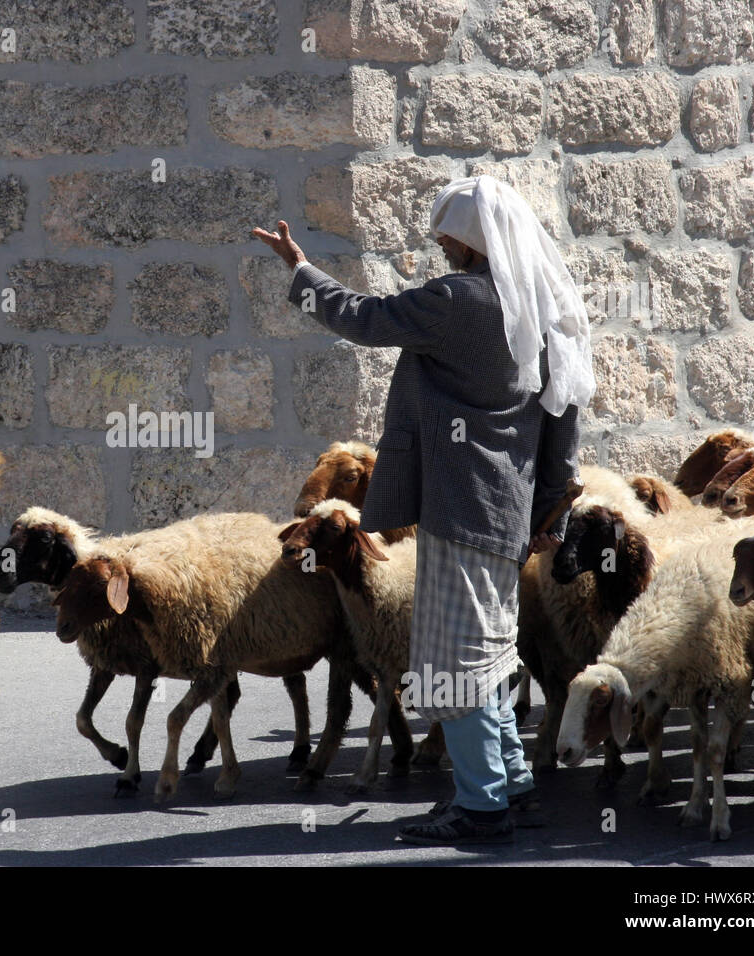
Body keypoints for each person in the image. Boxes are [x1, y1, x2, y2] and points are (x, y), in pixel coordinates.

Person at [252, 175, 594, 846]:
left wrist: (300, 268)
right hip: (511, 510)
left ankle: (482, 805)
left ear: (470, 240)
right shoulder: (542, 307)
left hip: (458, 506)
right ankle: (512, 783)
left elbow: (366, 319)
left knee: (457, 662)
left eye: (446, 233)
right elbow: (563, 419)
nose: (438, 243)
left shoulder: (456, 300)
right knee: (492, 653)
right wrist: (552, 509)